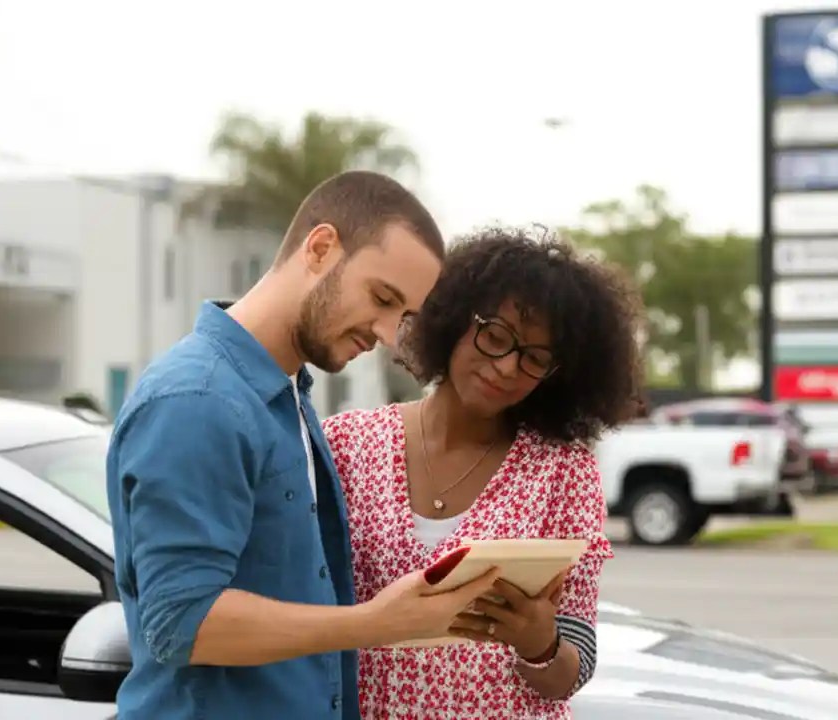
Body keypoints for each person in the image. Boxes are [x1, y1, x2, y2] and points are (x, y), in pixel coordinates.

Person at [105, 171, 501, 720]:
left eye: (404, 316)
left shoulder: (281, 393)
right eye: (382, 298)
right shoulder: (199, 400)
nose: (388, 335)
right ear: (320, 248)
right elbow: (182, 623)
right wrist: (377, 623)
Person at [322, 226, 645, 719]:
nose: (507, 367)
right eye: (496, 336)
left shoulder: (562, 471)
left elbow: (571, 669)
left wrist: (539, 643)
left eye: (535, 358)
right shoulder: (346, 445)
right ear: (453, 320)